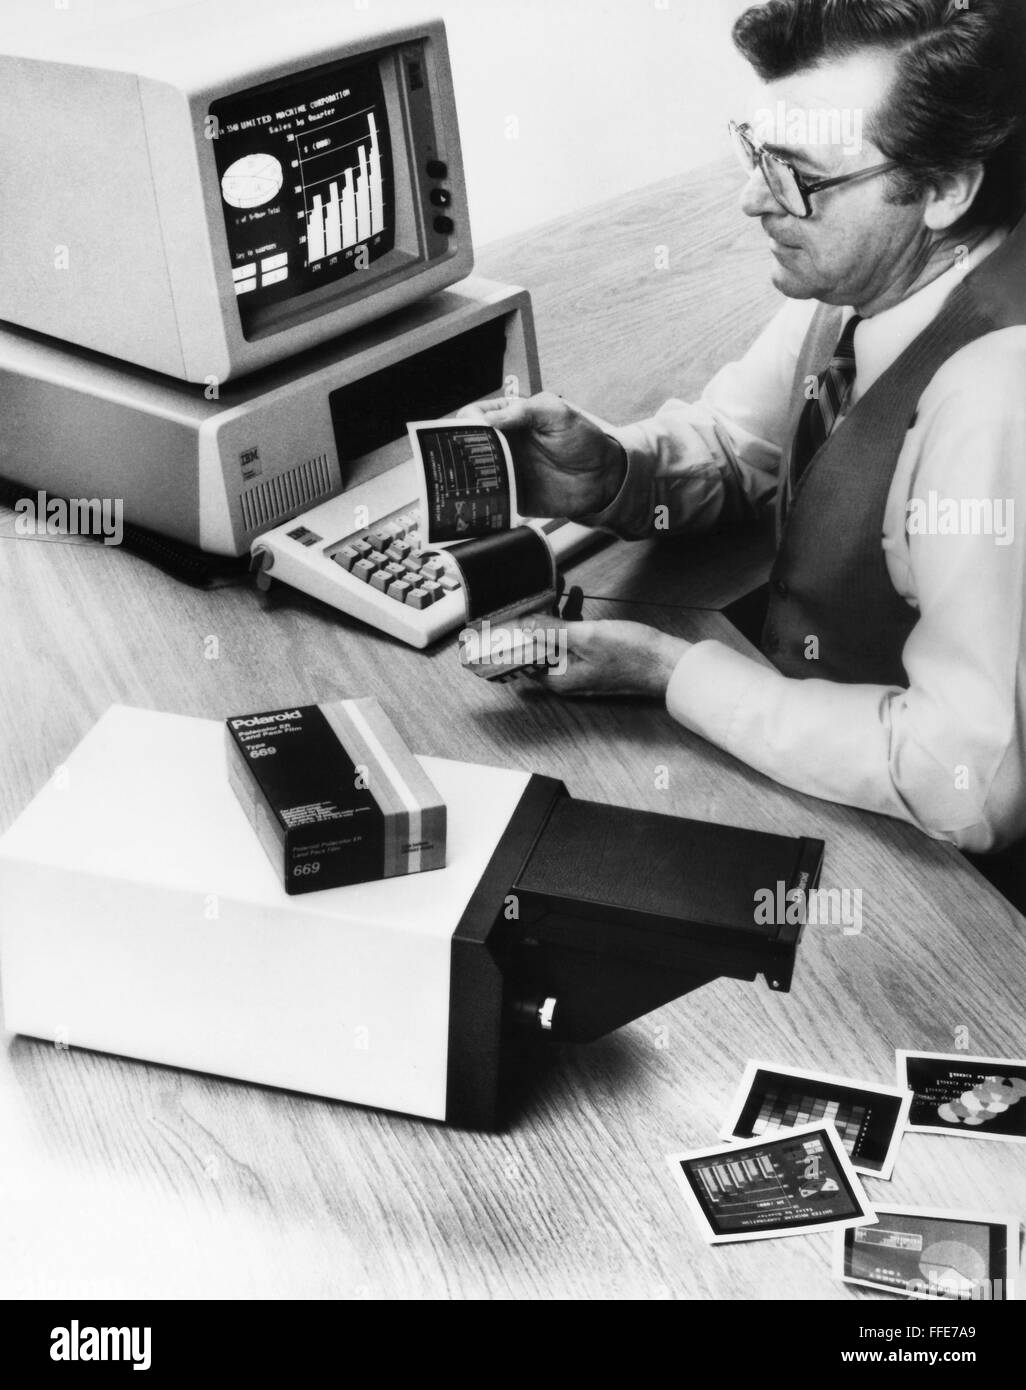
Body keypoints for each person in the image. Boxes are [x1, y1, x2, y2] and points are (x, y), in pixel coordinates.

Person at [461, 0, 1026, 870]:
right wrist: (616, 476)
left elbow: (970, 781)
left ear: (947, 187)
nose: (752, 198)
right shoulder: (873, 271)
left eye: (798, 175)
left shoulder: (994, 398)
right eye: (757, 152)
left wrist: (668, 672)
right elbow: (745, 442)